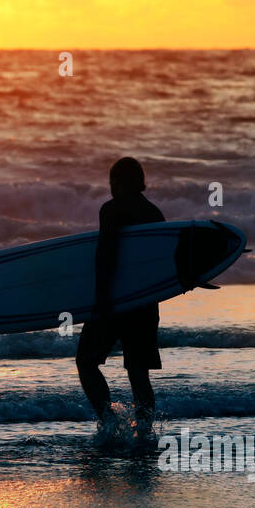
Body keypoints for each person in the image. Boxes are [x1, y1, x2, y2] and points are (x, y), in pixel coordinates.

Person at [76, 156, 164, 438]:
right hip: (144, 302)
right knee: (138, 372)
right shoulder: (154, 213)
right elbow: (161, 263)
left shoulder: (111, 210)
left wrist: (101, 299)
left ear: (117, 182)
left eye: (111, 182)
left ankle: (109, 421)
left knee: (86, 362)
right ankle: (144, 433)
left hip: (114, 301)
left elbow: (106, 256)